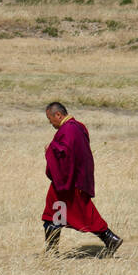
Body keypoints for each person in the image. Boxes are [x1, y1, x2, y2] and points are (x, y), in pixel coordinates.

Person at [41, 102, 122, 257]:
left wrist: (49, 150)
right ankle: (110, 239)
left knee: (75, 213)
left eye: (50, 118)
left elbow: (64, 154)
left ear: (58, 115)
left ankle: (110, 238)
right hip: (73, 180)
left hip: (68, 182)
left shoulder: (68, 130)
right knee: (57, 212)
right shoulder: (78, 126)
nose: (50, 123)